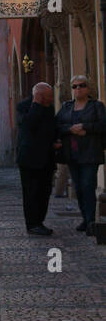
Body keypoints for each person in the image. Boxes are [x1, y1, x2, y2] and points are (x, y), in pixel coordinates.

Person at [57, 75, 106, 234]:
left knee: (88, 186)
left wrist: (85, 127)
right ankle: (85, 219)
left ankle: (91, 221)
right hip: (72, 153)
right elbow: (57, 125)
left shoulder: (96, 106)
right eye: (75, 86)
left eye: (82, 85)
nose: (78, 89)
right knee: (78, 187)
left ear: (88, 88)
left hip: (90, 152)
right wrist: (70, 129)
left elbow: (102, 125)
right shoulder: (66, 106)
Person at [16, 82, 58, 236]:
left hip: (47, 157)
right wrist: (36, 104)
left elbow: (52, 127)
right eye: (48, 97)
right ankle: (32, 224)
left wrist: (56, 140)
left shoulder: (50, 108)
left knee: (44, 192)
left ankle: (40, 221)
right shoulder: (24, 106)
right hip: (29, 158)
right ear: (39, 96)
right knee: (31, 193)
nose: (51, 99)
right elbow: (28, 125)